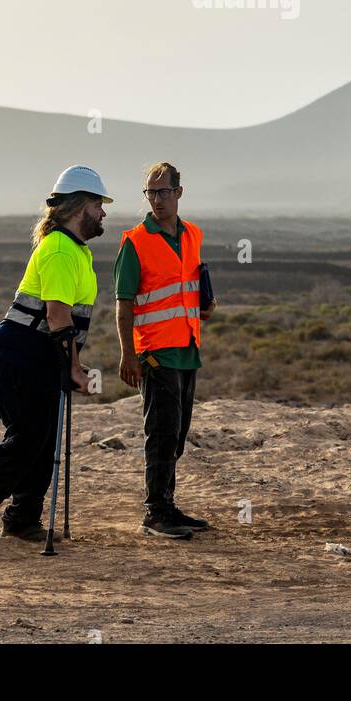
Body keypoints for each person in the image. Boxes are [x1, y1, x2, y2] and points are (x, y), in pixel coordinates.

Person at [0, 165, 112, 542]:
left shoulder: (76, 251)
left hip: (36, 358)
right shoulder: (58, 250)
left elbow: (63, 321)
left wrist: (73, 364)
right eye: (99, 204)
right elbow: (56, 315)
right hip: (18, 357)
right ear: (79, 206)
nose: (103, 213)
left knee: (42, 437)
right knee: (31, 434)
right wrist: (75, 369)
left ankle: (22, 519)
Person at [113, 161, 216, 539]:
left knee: (177, 432)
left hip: (187, 346)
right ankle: (155, 513)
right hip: (155, 351)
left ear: (179, 193)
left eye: (163, 191)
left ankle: (167, 505)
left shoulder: (192, 235)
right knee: (161, 431)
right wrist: (128, 355)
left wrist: (205, 303)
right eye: (150, 192)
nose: (156, 199)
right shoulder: (134, 241)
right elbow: (124, 303)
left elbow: (188, 285)